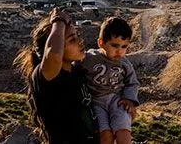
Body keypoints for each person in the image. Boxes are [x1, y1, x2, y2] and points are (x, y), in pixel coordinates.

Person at [14, 8, 98, 144]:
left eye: (77, 35)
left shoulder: (77, 72)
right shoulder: (46, 77)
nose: (80, 41)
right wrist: (58, 21)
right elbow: (54, 54)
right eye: (71, 40)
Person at [80, 16, 139, 144]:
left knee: (123, 132)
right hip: (96, 102)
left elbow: (132, 82)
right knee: (105, 135)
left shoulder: (125, 64)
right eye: (115, 45)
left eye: (124, 47)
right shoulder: (89, 58)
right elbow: (73, 68)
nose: (119, 51)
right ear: (101, 43)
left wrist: (130, 100)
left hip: (116, 101)